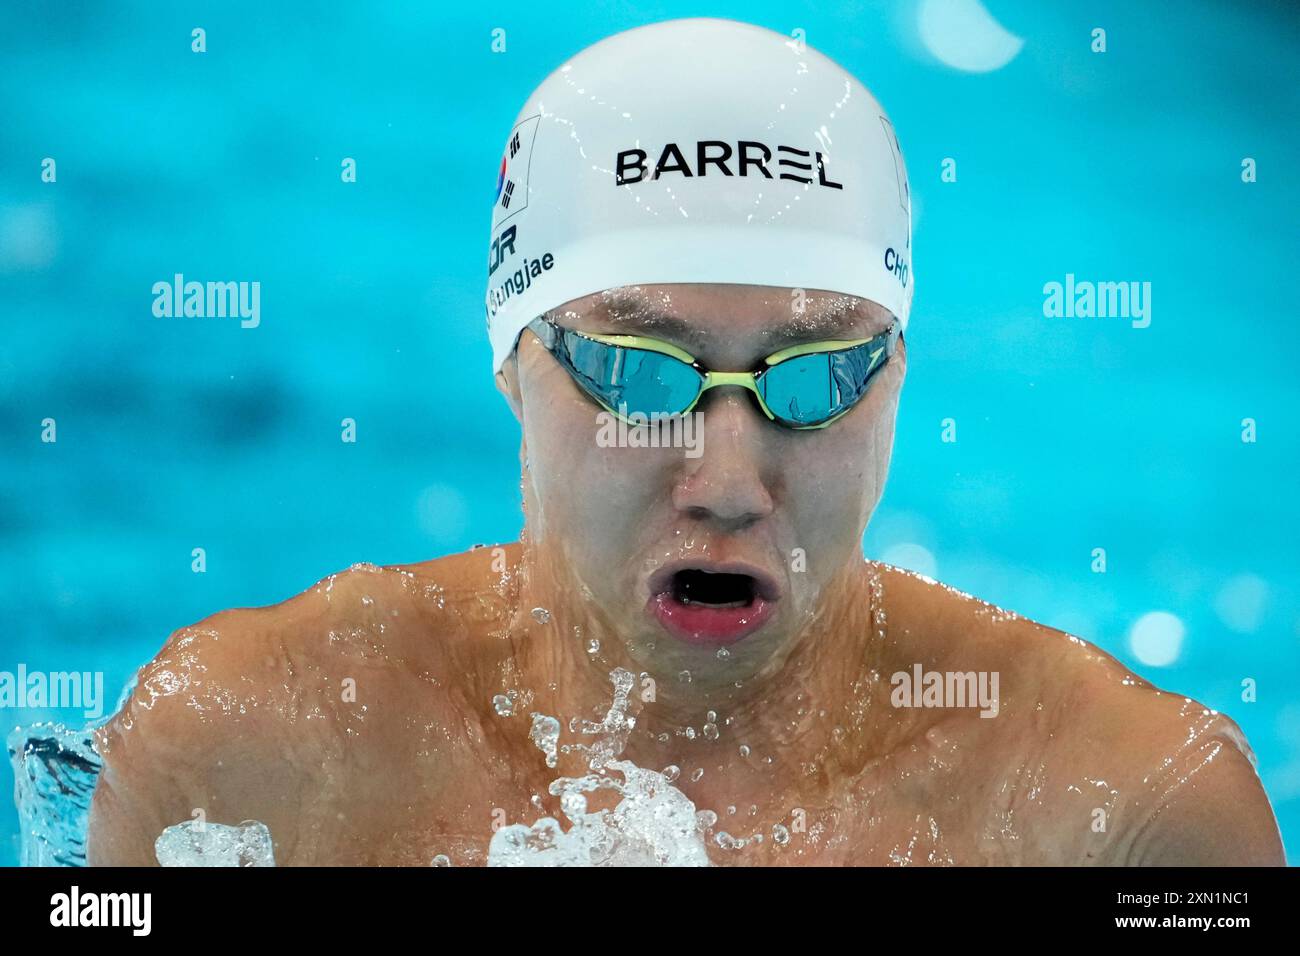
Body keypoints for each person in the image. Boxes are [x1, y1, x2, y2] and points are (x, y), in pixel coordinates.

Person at [87, 17, 1283, 866]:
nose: (725, 480)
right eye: (633, 372)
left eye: (814, 378)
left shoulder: (1127, 813)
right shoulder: (249, 751)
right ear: (511, 361)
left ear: (899, 375)